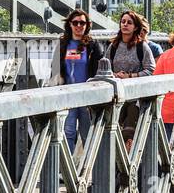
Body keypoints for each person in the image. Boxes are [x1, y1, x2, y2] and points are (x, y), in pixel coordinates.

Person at [52, 8, 100, 152]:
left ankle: (89, 171)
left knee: (88, 135)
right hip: (68, 95)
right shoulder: (63, 44)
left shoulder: (92, 45)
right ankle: (67, 171)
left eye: (82, 23)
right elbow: (54, 69)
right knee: (68, 133)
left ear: (87, 25)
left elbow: (99, 67)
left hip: (87, 97)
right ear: (70, 25)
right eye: (75, 23)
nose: (79, 26)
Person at [106, 8, 156, 78]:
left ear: (135, 28)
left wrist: (130, 76)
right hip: (117, 86)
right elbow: (105, 69)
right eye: (123, 22)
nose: (125, 24)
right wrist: (116, 75)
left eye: (129, 23)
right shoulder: (113, 46)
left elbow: (151, 70)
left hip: (135, 87)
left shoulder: (142, 46)